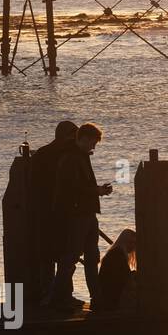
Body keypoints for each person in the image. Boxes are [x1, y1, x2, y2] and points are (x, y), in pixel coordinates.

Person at [45, 122, 113, 310]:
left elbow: (79, 186)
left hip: (87, 213)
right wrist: (96, 191)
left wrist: (97, 191)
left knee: (92, 256)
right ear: (83, 138)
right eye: (93, 142)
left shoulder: (80, 156)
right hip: (77, 215)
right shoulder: (70, 159)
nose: (94, 146)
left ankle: (96, 298)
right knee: (71, 257)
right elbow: (72, 188)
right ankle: (56, 298)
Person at [30, 120, 79, 304]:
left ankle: (50, 293)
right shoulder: (67, 155)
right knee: (63, 254)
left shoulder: (41, 154)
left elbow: (33, 186)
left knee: (49, 256)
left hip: (45, 212)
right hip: (59, 212)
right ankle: (62, 295)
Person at [94, 228, 138, 312]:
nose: (133, 246)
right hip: (111, 298)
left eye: (134, 243)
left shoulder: (115, 252)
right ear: (125, 242)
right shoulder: (118, 255)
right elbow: (124, 278)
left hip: (108, 295)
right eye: (131, 243)